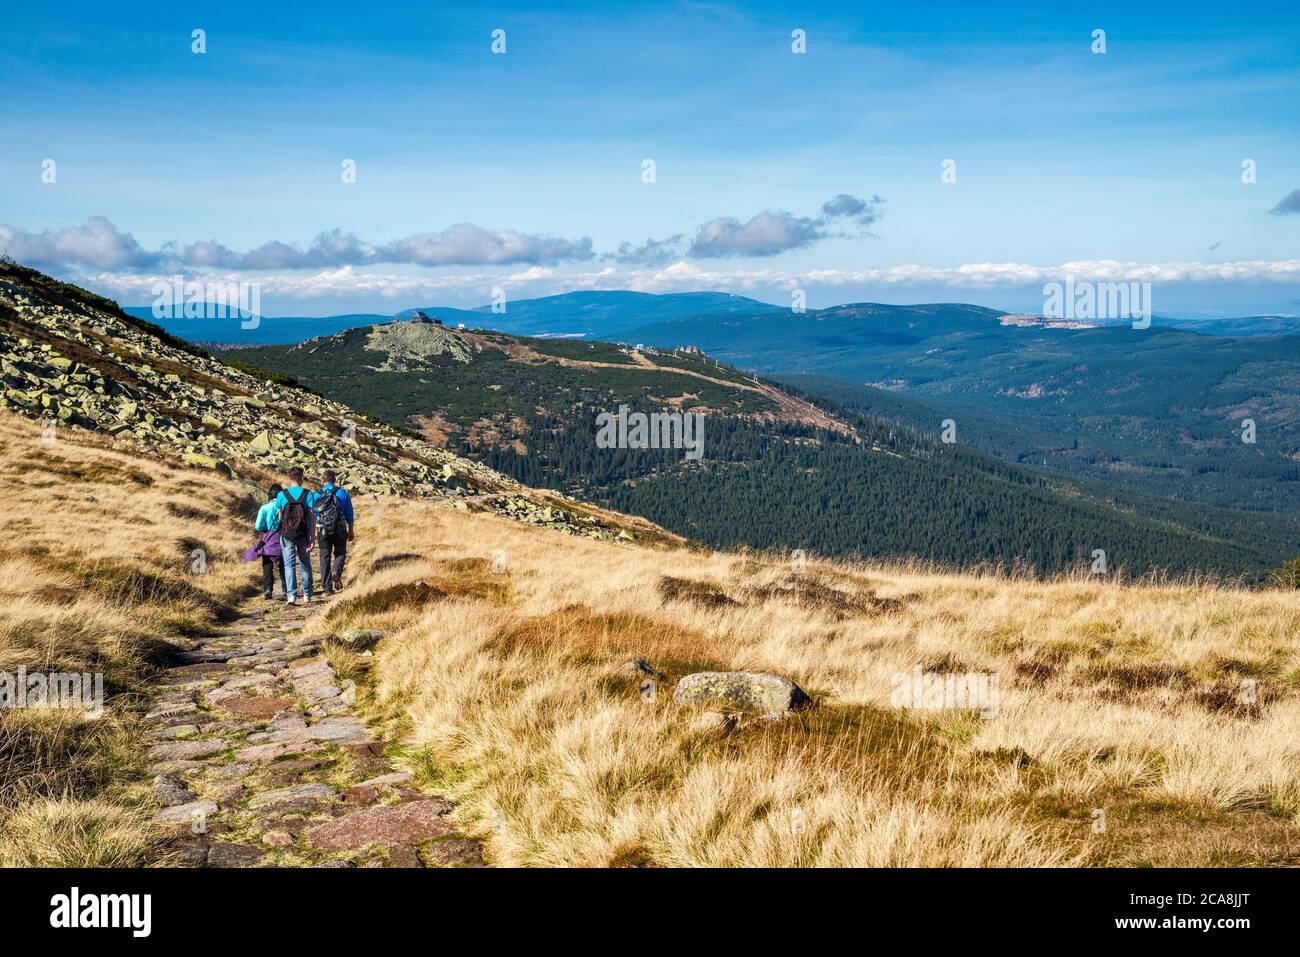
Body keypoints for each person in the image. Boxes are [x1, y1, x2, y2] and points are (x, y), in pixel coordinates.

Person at [276, 467, 316, 605]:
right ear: (301, 478)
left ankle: (291, 596)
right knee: (305, 564)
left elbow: (280, 516)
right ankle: (306, 594)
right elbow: (311, 517)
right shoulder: (307, 494)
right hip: (303, 534)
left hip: (287, 534)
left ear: (289, 477)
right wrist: (313, 536)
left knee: (289, 565)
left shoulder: (282, 494)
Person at [316, 469, 355, 595]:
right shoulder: (343, 493)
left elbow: (313, 512)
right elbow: (349, 513)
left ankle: (327, 588)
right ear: (335, 480)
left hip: (322, 529)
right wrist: (351, 529)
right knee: (340, 552)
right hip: (339, 527)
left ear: (323, 480)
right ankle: (336, 572)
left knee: (324, 556)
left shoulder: (316, 494)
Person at [253, 483, 287, 599]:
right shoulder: (284, 506)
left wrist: (265, 528)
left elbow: (257, 526)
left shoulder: (264, 508)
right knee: (284, 564)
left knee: (267, 563)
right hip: (282, 536)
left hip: (267, 537)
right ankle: (285, 588)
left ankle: (268, 589)